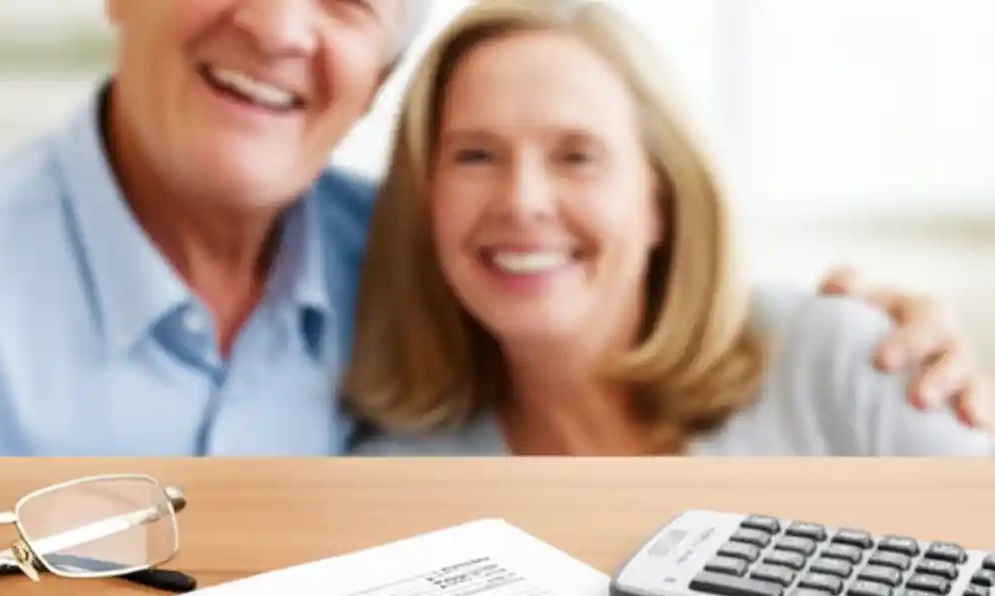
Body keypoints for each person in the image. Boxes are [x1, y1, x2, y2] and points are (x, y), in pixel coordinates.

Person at [0, 0, 988, 457]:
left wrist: (869, 334)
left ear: (379, 69)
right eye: (480, 157)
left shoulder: (426, 262)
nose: (283, 26)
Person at [346, 0, 993, 457]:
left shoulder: (849, 359)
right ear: (427, 197)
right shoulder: (405, 473)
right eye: (475, 155)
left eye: (577, 155)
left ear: (661, 201)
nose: (521, 200)